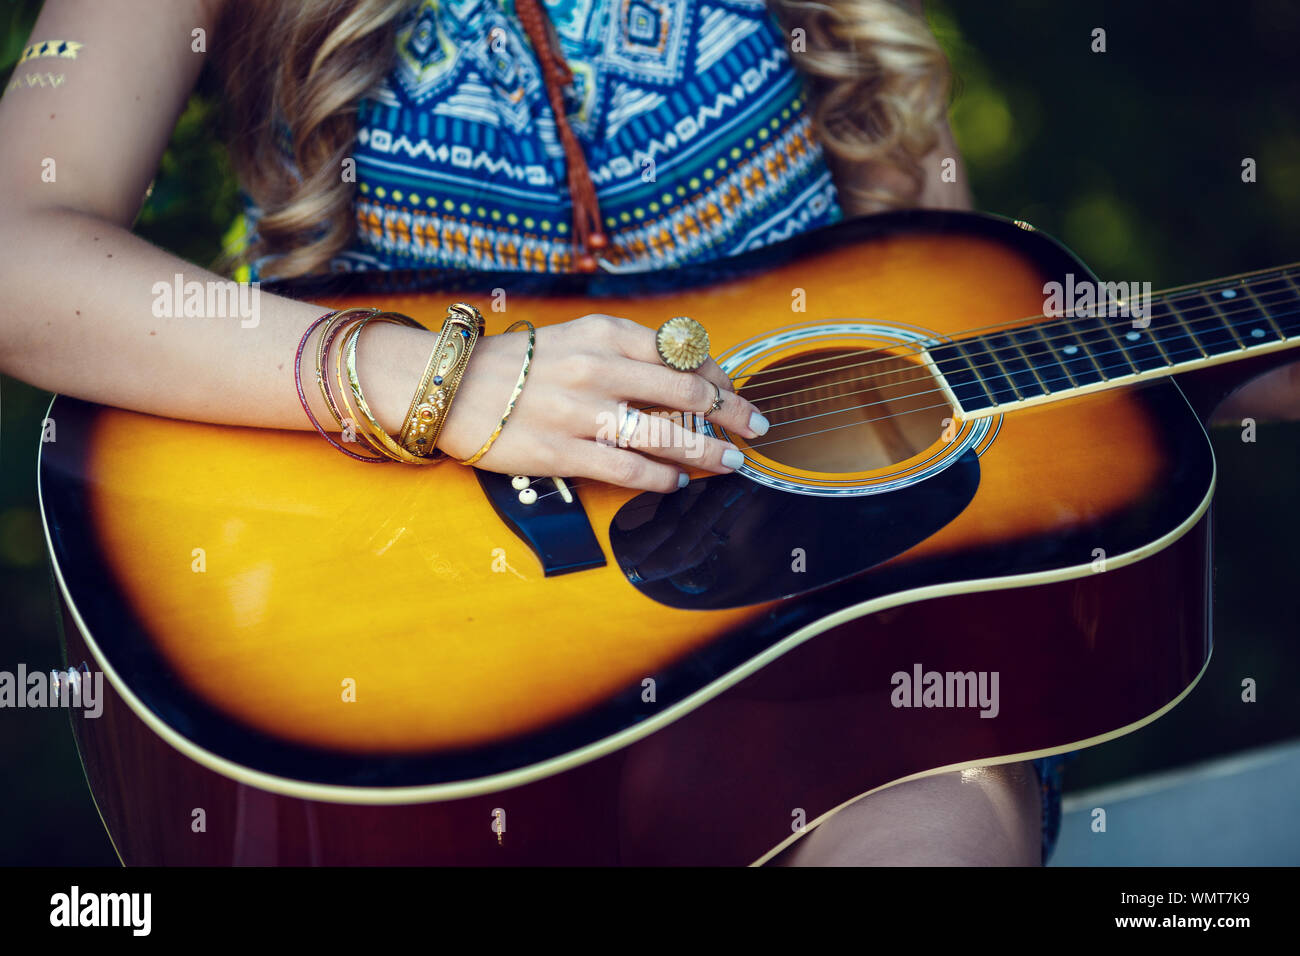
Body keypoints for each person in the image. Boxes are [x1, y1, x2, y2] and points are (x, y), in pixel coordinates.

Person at [15, 0, 1276, 866]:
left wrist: (1211, 363)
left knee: (928, 819)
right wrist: (433, 383)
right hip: (417, 668)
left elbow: (948, 319)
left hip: (846, 677)